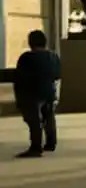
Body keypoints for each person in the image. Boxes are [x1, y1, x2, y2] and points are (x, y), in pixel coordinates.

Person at [13, 30, 60, 158]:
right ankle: (51, 142)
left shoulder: (26, 58)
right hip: (49, 91)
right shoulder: (53, 56)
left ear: (30, 42)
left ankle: (36, 147)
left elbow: (20, 78)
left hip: (32, 93)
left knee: (34, 121)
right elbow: (57, 74)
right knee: (49, 117)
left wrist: (19, 98)